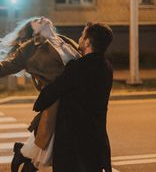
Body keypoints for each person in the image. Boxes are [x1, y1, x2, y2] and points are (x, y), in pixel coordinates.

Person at [0, 16, 81, 172]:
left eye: (41, 17)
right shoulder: (29, 50)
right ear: (34, 31)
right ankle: (22, 154)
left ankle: (22, 154)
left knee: (44, 152)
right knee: (48, 151)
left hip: (74, 101)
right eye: (36, 21)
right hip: (57, 103)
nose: (41, 18)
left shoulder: (63, 40)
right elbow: (4, 67)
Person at [33, 22, 113, 172]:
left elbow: (54, 90)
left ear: (88, 42)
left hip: (74, 144)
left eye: (83, 35)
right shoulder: (106, 67)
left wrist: (39, 101)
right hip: (96, 141)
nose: (80, 38)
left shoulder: (78, 67)